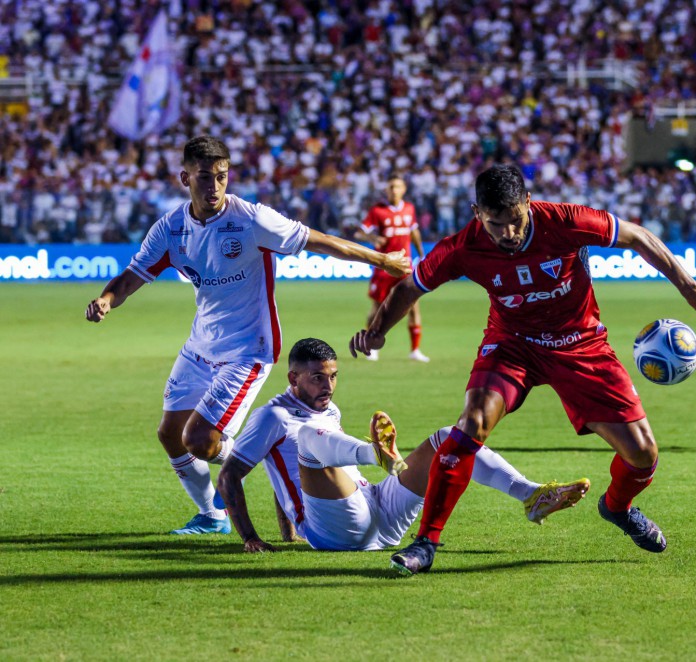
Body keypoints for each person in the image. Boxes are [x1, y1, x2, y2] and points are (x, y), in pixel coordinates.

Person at [349, 164, 696, 576]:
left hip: (582, 345)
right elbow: (411, 286)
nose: (509, 233)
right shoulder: (464, 246)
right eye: (497, 224)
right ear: (478, 213)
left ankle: (617, 507)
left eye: (516, 220)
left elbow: (638, 236)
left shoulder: (565, 221)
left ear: (528, 204)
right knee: (470, 424)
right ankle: (425, 543)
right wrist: (377, 332)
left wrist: (688, 286)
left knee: (642, 454)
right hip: (512, 345)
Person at [84, 136, 410, 535]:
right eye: (205, 177)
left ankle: (275, 453)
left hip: (248, 349)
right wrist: (106, 300)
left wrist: (379, 259)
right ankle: (211, 515)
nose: (215, 186)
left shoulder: (252, 218)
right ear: (185, 177)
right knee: (169, 434)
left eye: (222, 177)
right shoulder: (171, 229)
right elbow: (134, 275)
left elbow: (318, 240)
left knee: (200, 439)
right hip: (200, 345)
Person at [216, 338, 591, 552]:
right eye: (317, 378)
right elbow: (231, 475)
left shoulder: (327, 408)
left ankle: (530, 495)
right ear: (293, 378)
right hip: (335, 529)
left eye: (333, 377)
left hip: (377, 507)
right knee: (310, 441)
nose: (328, 387)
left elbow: (286, 474)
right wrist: (251, 538)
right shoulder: (272, 416)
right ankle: (374, 454)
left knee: (450, 437)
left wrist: (287, 532)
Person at [354, 174, 429, 362]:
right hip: (384, 266)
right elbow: (360, 232)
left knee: (413, 306)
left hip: (405, 266)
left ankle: (415, 350)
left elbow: (414, 232)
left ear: (403, 189)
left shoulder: (409, 209)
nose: (394, 190)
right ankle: (371, 347)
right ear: (386, 190)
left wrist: (421, 254)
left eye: (397, 186)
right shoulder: (377, 211)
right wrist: (374, 238)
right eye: (391, 187)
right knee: (378, 308)